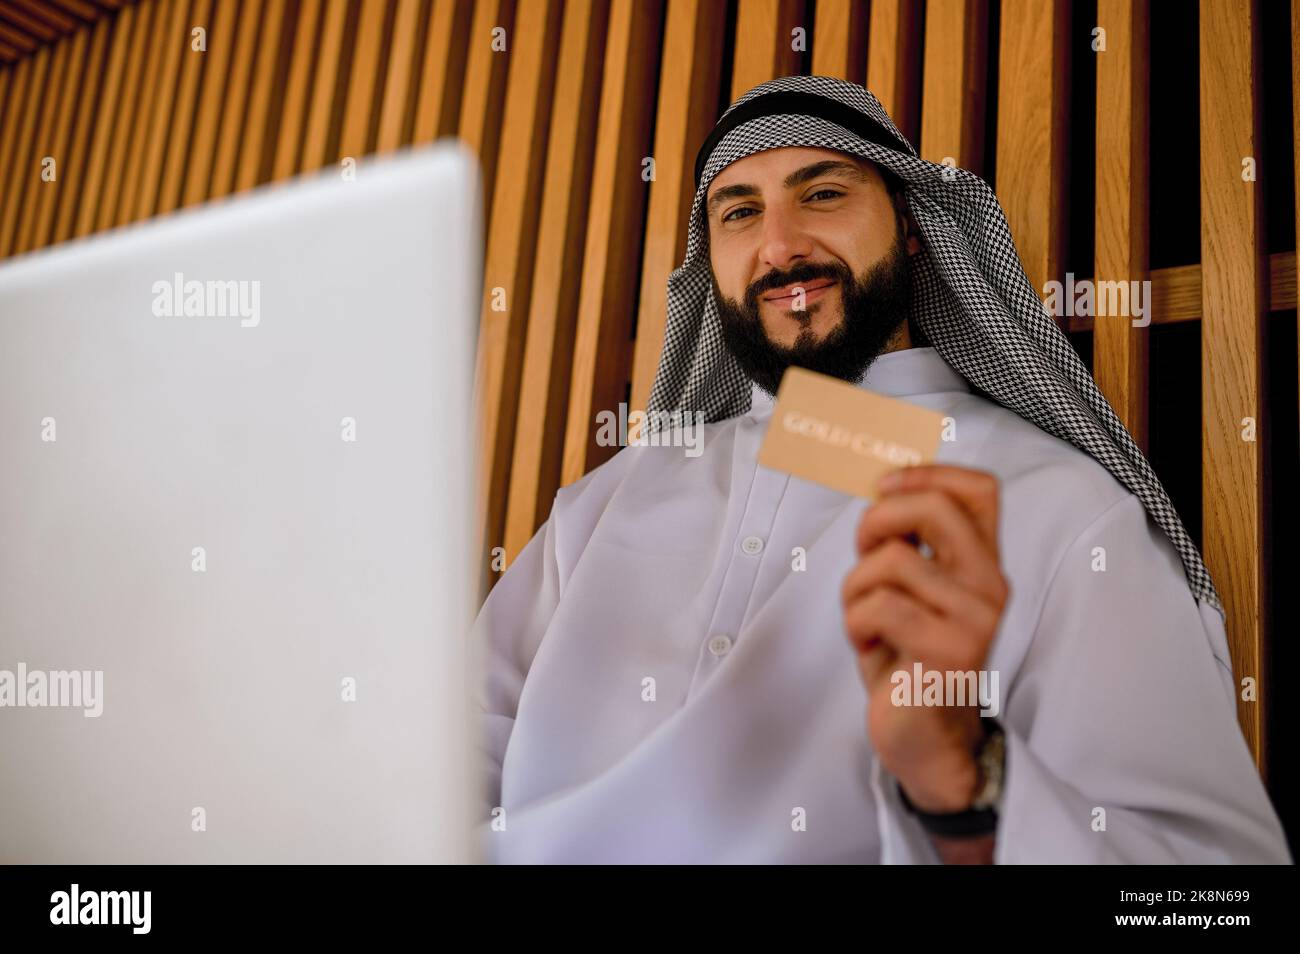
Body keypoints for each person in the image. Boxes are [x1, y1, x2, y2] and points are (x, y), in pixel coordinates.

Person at [470, 75, 1290, 863]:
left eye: (822, 194)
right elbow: (436, 767)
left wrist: (965, 786)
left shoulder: (1063, 512)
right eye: (740, 212)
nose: (780, 245)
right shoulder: (602, 506)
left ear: (911, 225)